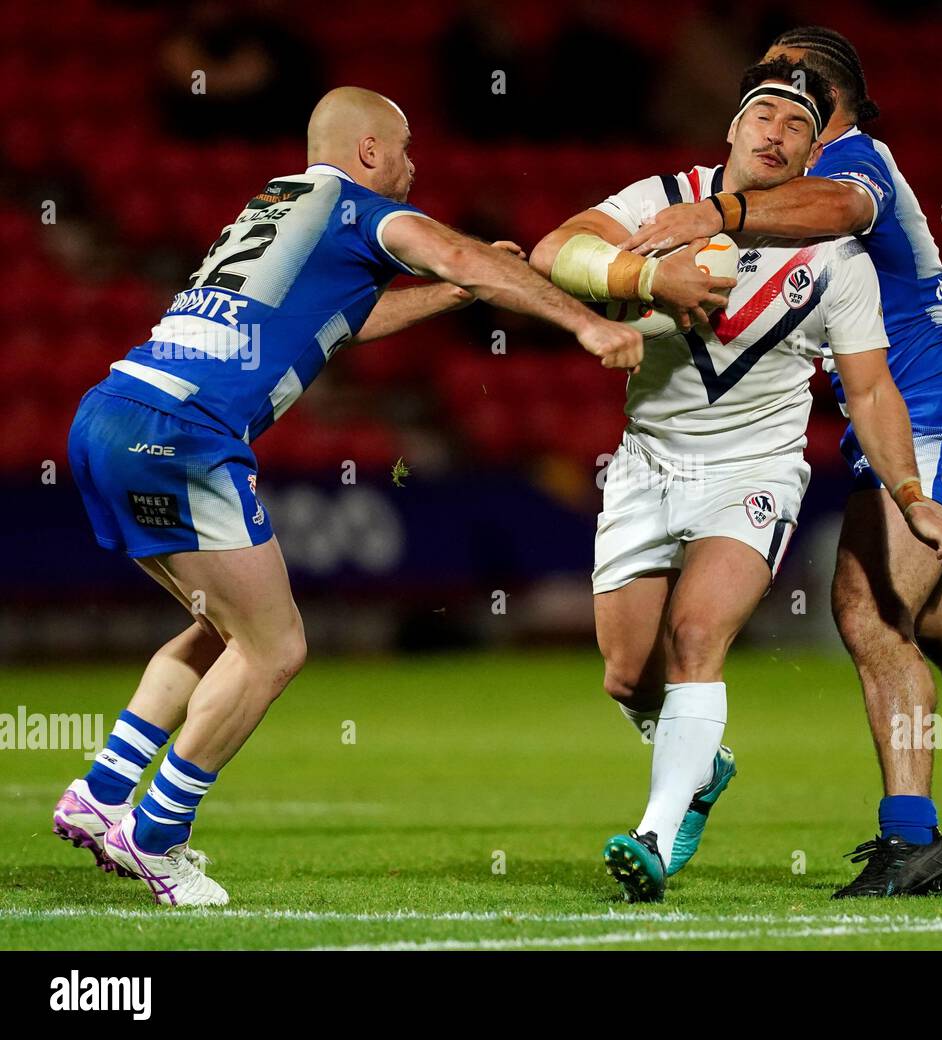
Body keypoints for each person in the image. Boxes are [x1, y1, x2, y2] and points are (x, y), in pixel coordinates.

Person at [54, 86, 647, 906]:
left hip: (112, 414)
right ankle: (155, 836)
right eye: (404, 150)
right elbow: (463, 254)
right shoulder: (361, 207)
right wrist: (583, 323)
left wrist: (464, 290)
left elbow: (346, 321)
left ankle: (102, 793)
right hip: (183, 432)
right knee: (275, 647)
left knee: (220, 628)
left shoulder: (274, 206)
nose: (413, 166)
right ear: (369, 151)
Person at [621, 26, 942, 898]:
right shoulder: (782, 185)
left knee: (870, 610)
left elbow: (842, 211)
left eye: (782, 99)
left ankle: (911, 840)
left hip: (937, 410)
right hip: (909, 421)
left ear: (818, 108)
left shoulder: (856, 162)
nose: (766, 120)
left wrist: (717, 213)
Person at [531, 59, 942, 903]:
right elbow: (557, 250)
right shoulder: (662, 199)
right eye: (764, 115)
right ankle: (704, 768)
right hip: (645, 466)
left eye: (798, 127)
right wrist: (647, 276)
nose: (776, 134)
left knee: (697, 637)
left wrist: (914, 496)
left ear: (815, 151)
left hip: (754, 473)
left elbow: (873, 389)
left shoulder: (839, 262)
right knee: (628, 674)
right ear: (733, 126)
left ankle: (656, 838)